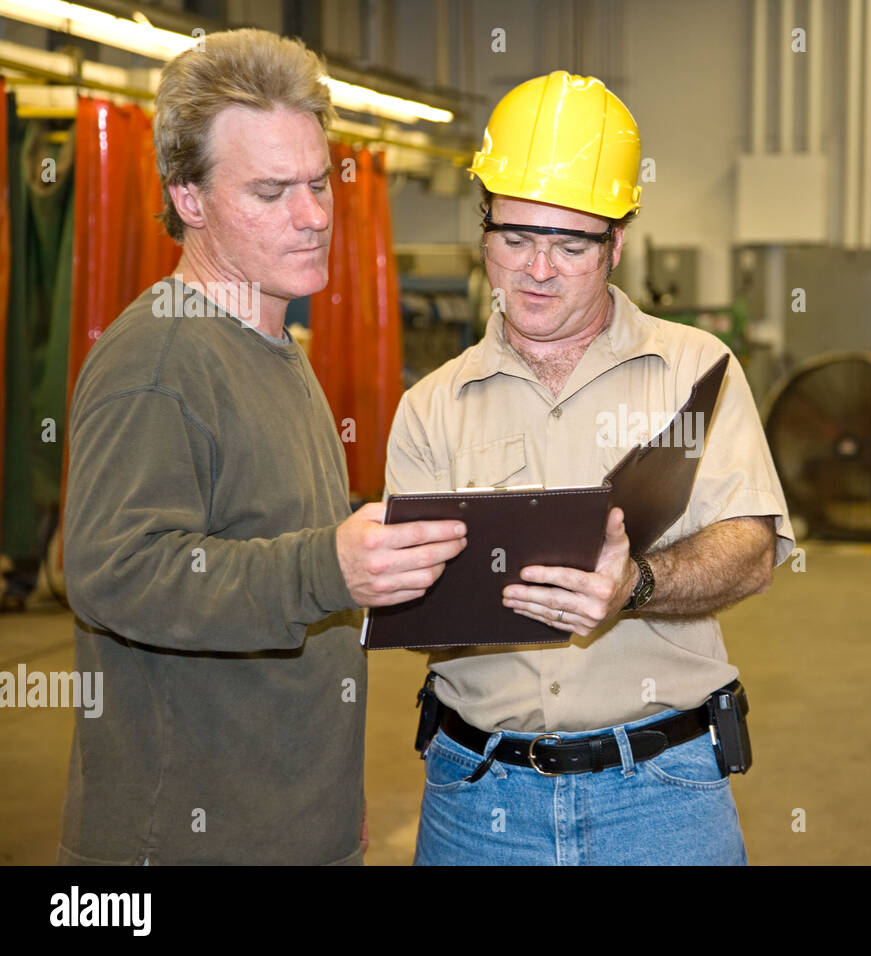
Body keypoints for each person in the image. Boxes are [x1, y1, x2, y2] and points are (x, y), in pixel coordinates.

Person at [58, 29, 466, 865]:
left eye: (318, 183)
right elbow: (114, 574)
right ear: (190, 198)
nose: (314, 215)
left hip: (291, 833)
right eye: (272, 192)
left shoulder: (275, 344)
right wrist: (327, 567)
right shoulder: (161, 358)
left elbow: (271, 558)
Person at [385, 70, 795, 866]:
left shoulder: (695, 371)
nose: (537, 270)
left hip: (662, 794)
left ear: (615, 244)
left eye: (570, 244)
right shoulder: (430, 407)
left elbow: (750, 549)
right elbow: (409, 616)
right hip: (477, 799)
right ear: (483, 232)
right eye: (514, 238)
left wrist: (634, 586)